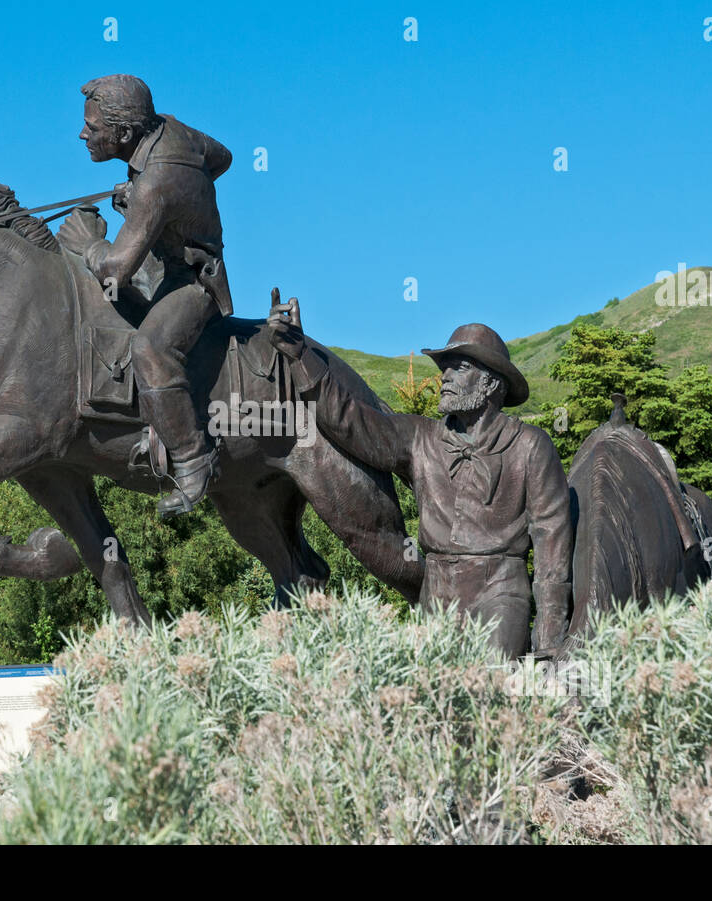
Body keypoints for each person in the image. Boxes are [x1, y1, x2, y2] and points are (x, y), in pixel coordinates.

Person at [267, 291, 572, 658]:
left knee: (492, 691)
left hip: (500, 592)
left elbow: (552, 546)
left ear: (491, 384)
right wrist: (300, 356)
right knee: (429, 698)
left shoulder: (531, 447)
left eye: (459, 368)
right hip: (437, 592)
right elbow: (351, 421)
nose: (444, 377)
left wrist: (550, 633)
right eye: (444, 367)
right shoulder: (419, 437)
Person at [57, 74, 234, 516]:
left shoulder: (157, 179)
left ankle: (194, 460)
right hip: (164, 256)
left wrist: (88, 244)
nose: (83, 134)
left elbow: (117, 266)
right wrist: (158, 207)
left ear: (123, 132)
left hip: (191, 282)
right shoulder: (170, 129)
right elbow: (223, 158)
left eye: (92, 128)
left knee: (150, 347)